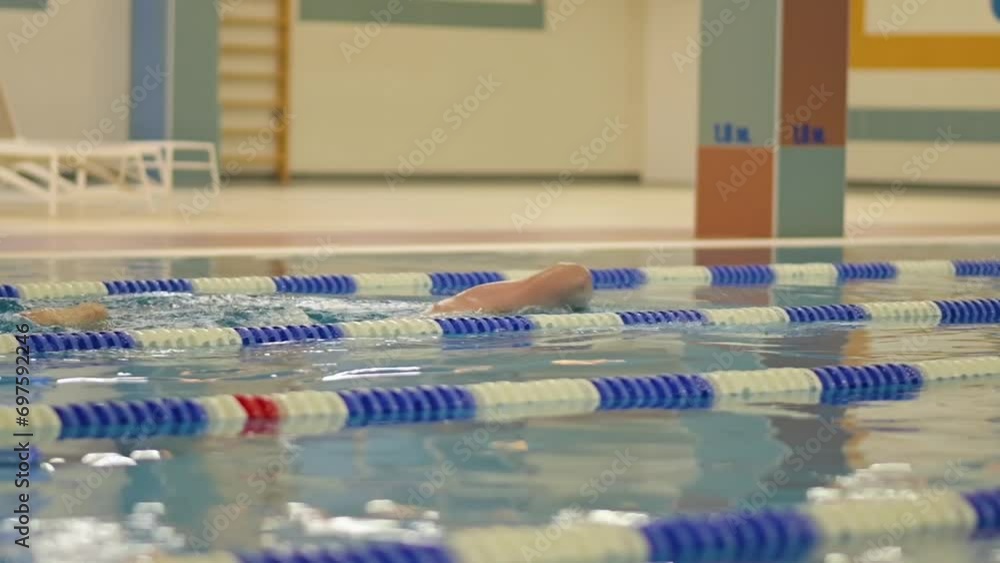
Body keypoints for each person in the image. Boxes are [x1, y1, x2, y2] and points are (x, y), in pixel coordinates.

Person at [20, 263, 594, 329]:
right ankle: (91, 320)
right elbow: (574, 274)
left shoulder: (484, 300)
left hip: (355, 316)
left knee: (205, 315)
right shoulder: (487, 302)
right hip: (366, 322)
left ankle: (91, 319)